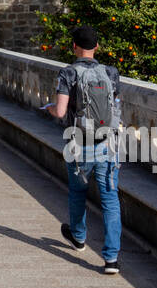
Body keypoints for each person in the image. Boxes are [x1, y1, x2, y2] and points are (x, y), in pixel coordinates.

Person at [44, 25, 123, 274]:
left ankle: (79, 237)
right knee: (110, 200)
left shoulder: (68, 73)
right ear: (97, 47)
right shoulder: (111, 73)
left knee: (78, 193)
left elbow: (59, 112)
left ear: (74, 47)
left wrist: (47, 108)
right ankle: (111, 259)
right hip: (107, 145)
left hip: (78, 145)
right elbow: (114, 108)